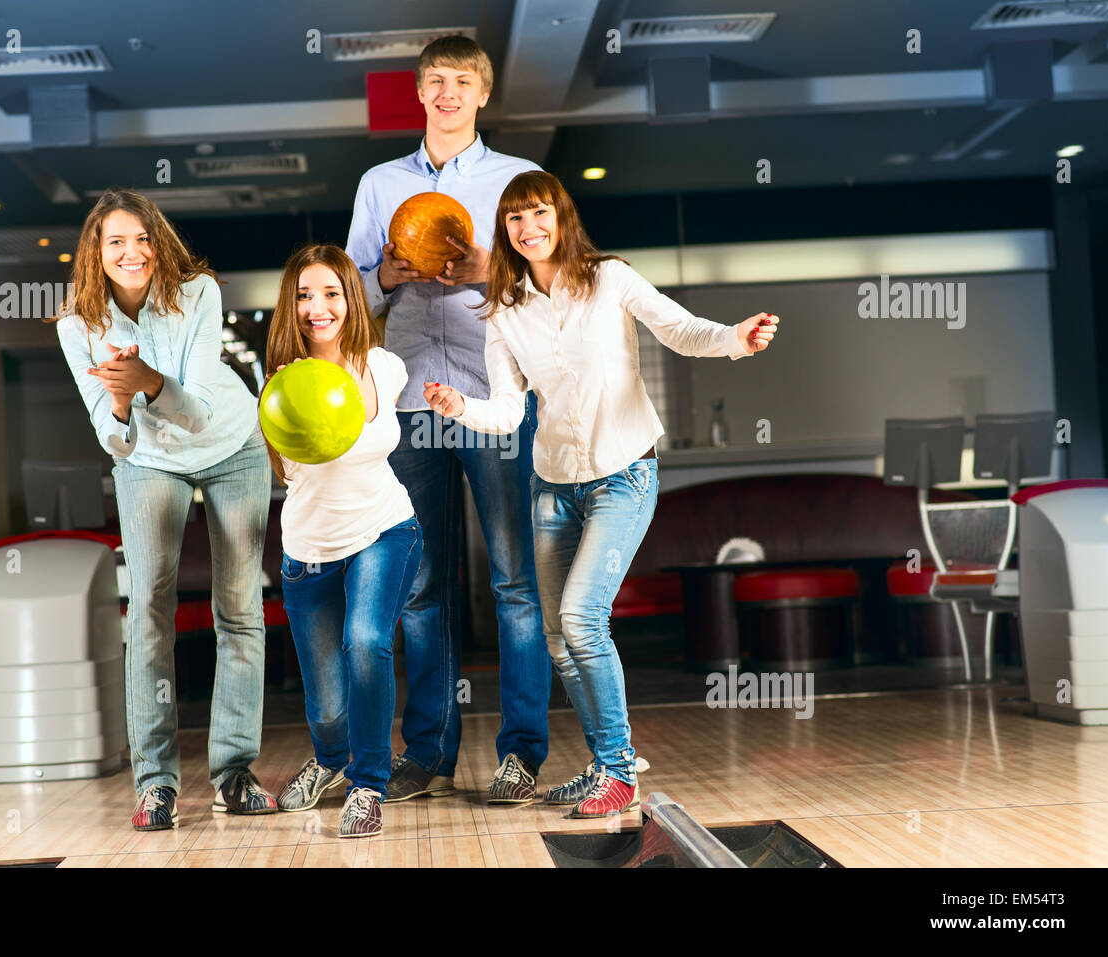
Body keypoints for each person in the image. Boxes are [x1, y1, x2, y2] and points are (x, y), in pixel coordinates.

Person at [424, 171, 780, 817]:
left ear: (562, 219)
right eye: (514, 220)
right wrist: (460, 406)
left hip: (623, 473)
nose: (528, 228)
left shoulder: (610, 278)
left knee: (583, 619)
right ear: (504, 233)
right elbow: (507, 411)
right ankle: (601, 765)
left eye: (539, 214)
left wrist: (735, 337)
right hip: (552, 484)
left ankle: (619, 770)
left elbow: (681, 330)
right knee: (559, 637)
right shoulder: (504, 309)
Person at [346, 34, 550, 805]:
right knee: (420, 587)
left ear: (483, 93)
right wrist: (386, 275)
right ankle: (427, 751)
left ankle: (521, 752)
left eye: (461, 81)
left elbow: (550, 284)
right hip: (407, 404)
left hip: (494, 400)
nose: (447, 93)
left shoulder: (518, 183)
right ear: (420, 94)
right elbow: (352, 298)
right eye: (434, 81)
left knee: (515, 582)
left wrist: (486, 269)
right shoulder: (378, 185)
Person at [54, 187, 275, 830]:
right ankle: (155, 781)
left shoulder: (198, 292)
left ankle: (234, 771)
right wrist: (122, 402)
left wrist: (148, 381)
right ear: (96, 253)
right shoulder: (80, 325)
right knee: (149, 604)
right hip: (149, 460)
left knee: (238, 607)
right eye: (116, 241)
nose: (132, 252)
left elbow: (200, 410)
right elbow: (113, 438)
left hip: (232, 444)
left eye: (142, 238)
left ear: (159, 243)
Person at [265, 244, 423, 838]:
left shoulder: (386, 367)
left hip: (384, 529)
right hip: (309, 552)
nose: (317, 307)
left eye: (330, 292)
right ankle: (332, 760)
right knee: (328, 707)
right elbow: (288, 471)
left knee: (366, 641)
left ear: (350, 299)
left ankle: (367, 785)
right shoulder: (280, 381)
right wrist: (284, 410)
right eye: (304, 295)